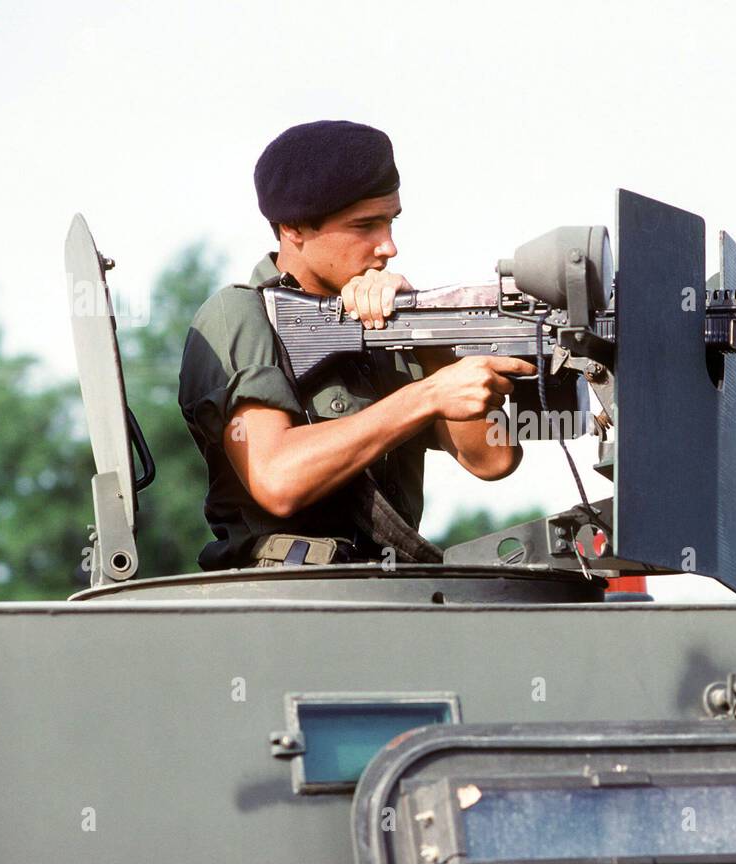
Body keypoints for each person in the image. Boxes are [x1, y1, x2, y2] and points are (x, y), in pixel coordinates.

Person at [178, 120, 534, 570]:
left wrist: (425, 331)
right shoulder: (241, 315)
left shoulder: (389, 323)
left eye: (390, 221)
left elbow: (492, 458)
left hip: (389, 590)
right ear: (293, 228)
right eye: (365, 225)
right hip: (284, 601)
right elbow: (277, 477)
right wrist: (426, 396)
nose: (388, 246)